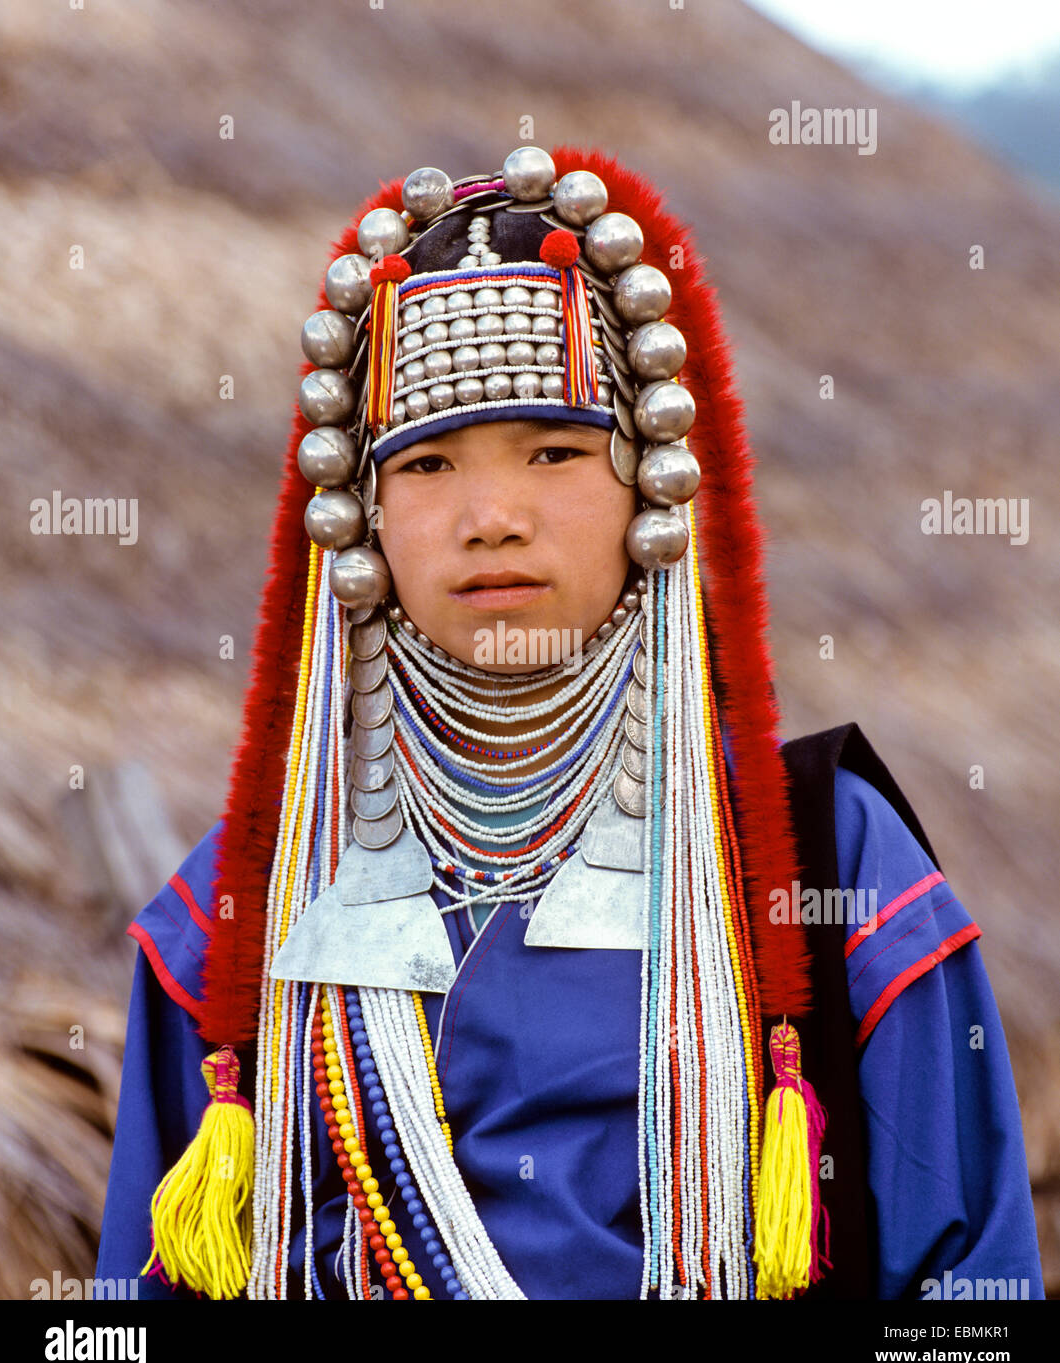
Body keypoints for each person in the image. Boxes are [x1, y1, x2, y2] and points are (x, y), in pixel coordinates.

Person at [96, 145, 1043, 1301]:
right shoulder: (236, 915)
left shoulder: (824, 870)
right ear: (361, 512)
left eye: (551, 451)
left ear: (652, 484)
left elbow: (971, 1301)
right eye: (430, 463)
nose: (491, 518)